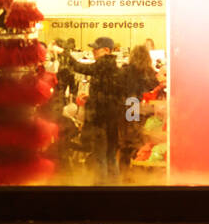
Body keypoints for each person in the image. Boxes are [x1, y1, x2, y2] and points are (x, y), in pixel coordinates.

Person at [65, 36, 127, 182]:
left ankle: (101, 187)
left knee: (100, 156)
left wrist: (64, 53)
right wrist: (92, 97)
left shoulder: (101, 65)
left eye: (96, 49)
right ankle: (114, 185)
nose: (93, 51)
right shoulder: (115, 69)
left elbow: (79, 67)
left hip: (100, 121)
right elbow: (111, 95)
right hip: (112, 121)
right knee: (111, 156)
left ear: (106, 50)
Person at [119, 44, 159, 176]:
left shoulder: (126, 71)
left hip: (131, 104)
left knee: (127, 141)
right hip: (145, 107)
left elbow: (120, 90)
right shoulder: (150, 73)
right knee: (144, 138)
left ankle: (125, 172)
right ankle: (142, 169)